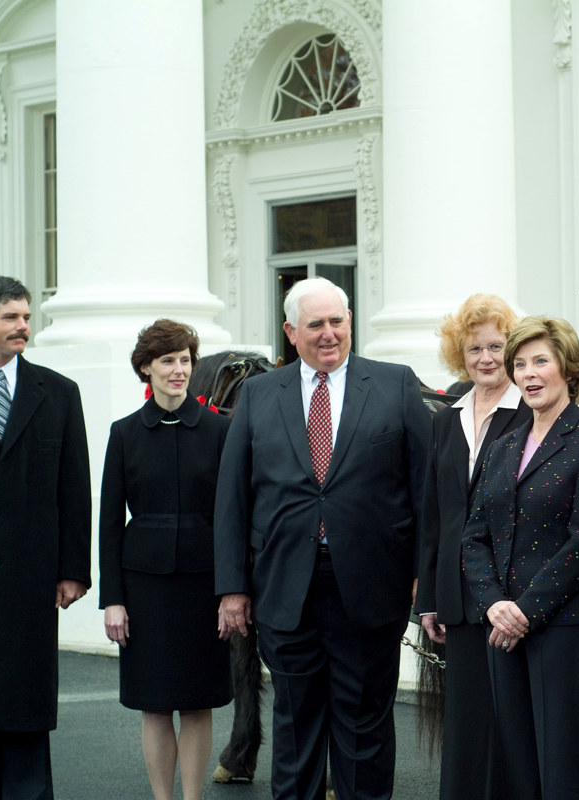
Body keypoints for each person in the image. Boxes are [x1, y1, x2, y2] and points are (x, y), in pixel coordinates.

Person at [214, 276, 430, 800]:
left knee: (365, 729)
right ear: (292, 331)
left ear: (350, 321)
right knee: (295, 728)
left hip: (372, 587)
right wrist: (232, 588)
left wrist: (429, 578)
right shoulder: (260, 395)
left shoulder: (396, 384)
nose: (329, 333)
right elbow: (233, 499)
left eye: (338, 320)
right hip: (285, 588)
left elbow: (427, 492)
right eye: (316, 324)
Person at [462, 316, 579, 800]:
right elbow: (474, 537)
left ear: (567, 368)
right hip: (501, 625)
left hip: (562, 627)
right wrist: (493, 605)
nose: (529, 373)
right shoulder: (503, 445)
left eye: (540, 361)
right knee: (516, 763)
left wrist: (524, 613)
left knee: (561, 767)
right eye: (520, 364)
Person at [98, 319, 233, 800]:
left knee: (198, 704)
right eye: (168, 361)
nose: (179, 370)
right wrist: (112, 600)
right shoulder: (124, 434)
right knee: (153, 705)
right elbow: (110, 522)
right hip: (144, 590)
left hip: (206, 587)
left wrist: (232, 592)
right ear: (146, 368)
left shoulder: (220, 431)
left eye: (186, 360)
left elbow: (233, 515)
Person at [414, 294, 534, 800]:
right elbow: (434, 514)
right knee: (464, 727)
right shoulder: (446, 420)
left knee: (511, 728)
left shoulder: (531, 413)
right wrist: (428, 601)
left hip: (512, 595)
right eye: (473, 350)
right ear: (458, 356)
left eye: (496, 347)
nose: (485, 359)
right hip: (457, 599)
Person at [0, 275, 91, 800]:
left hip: (30, 580)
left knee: (24, 705)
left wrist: (74, 569)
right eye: (11, 317)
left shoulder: (59, 393)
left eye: (26, 317)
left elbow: (75, 489)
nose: (23, 326)